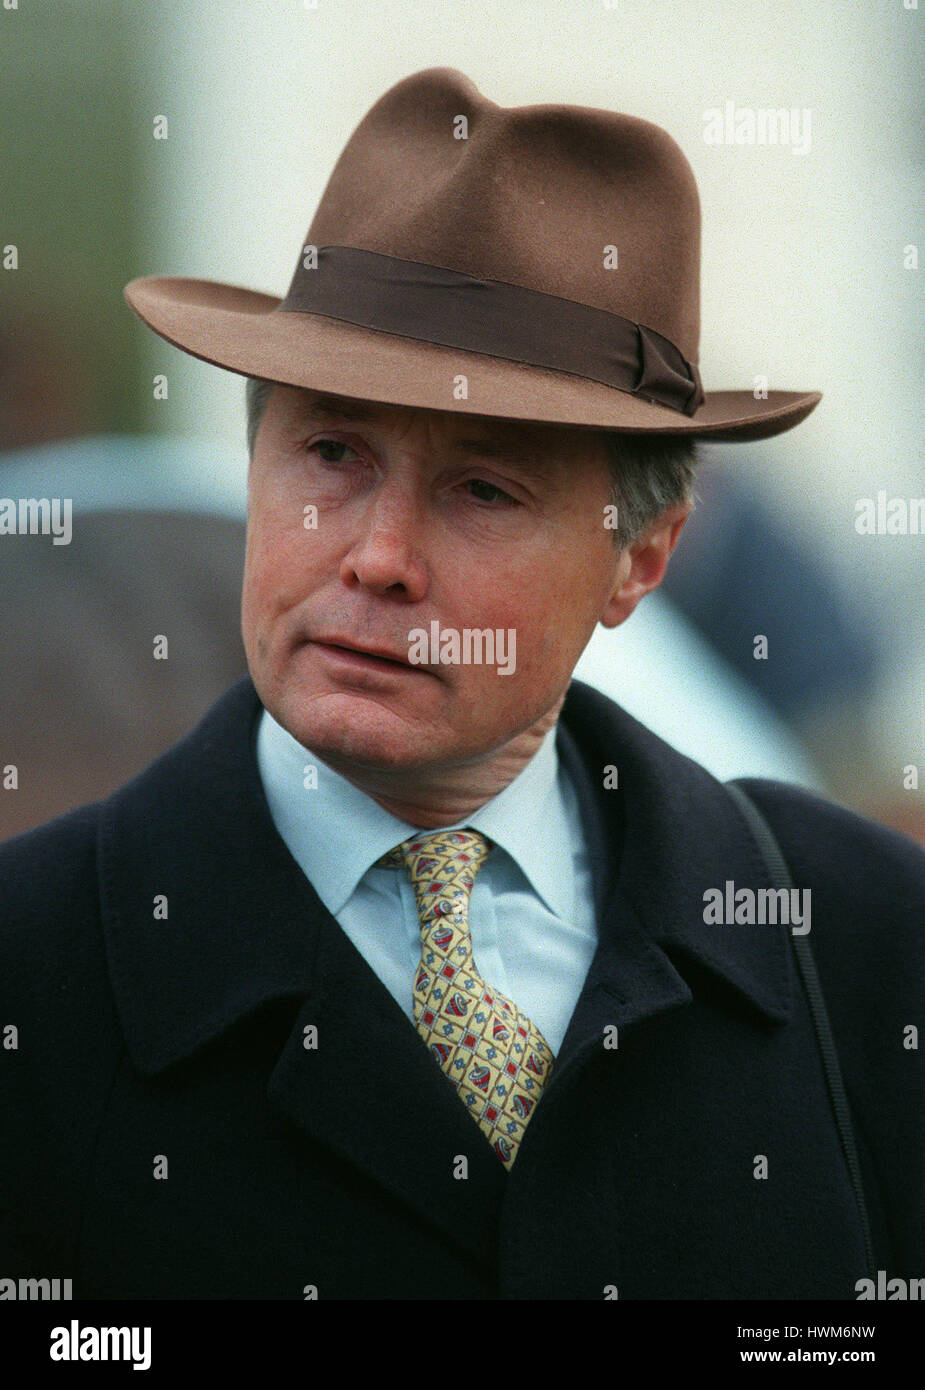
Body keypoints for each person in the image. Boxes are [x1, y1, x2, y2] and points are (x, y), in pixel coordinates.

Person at [1, 67, 922, 1301]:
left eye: (483, 490)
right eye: (330, 451)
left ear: (639, 555)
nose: (376, 558)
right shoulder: (33, 967)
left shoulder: (858, 936)